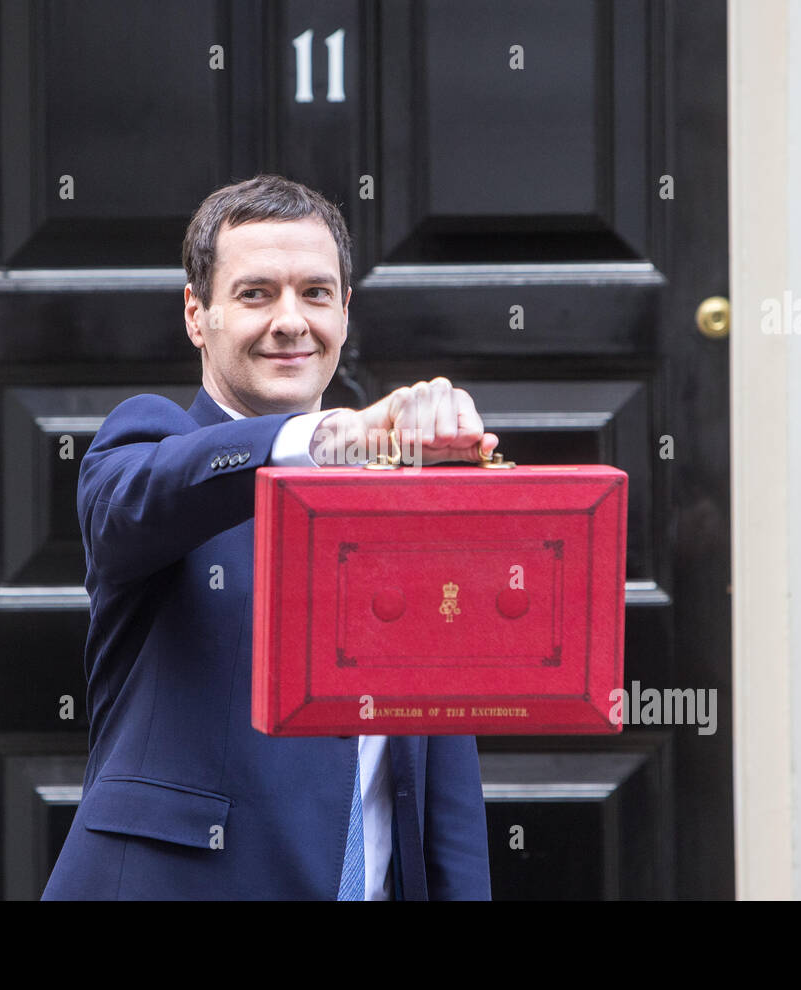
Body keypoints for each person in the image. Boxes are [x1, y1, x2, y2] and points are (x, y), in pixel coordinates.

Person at [41, 174, 493, 900]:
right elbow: (139, 502)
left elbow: (445, 775)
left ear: (345, 311)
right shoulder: (151, 443)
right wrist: (332, 437)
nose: (290, 320)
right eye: (256, 294)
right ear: (198, 314)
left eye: (315, 293)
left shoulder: (406, 490)